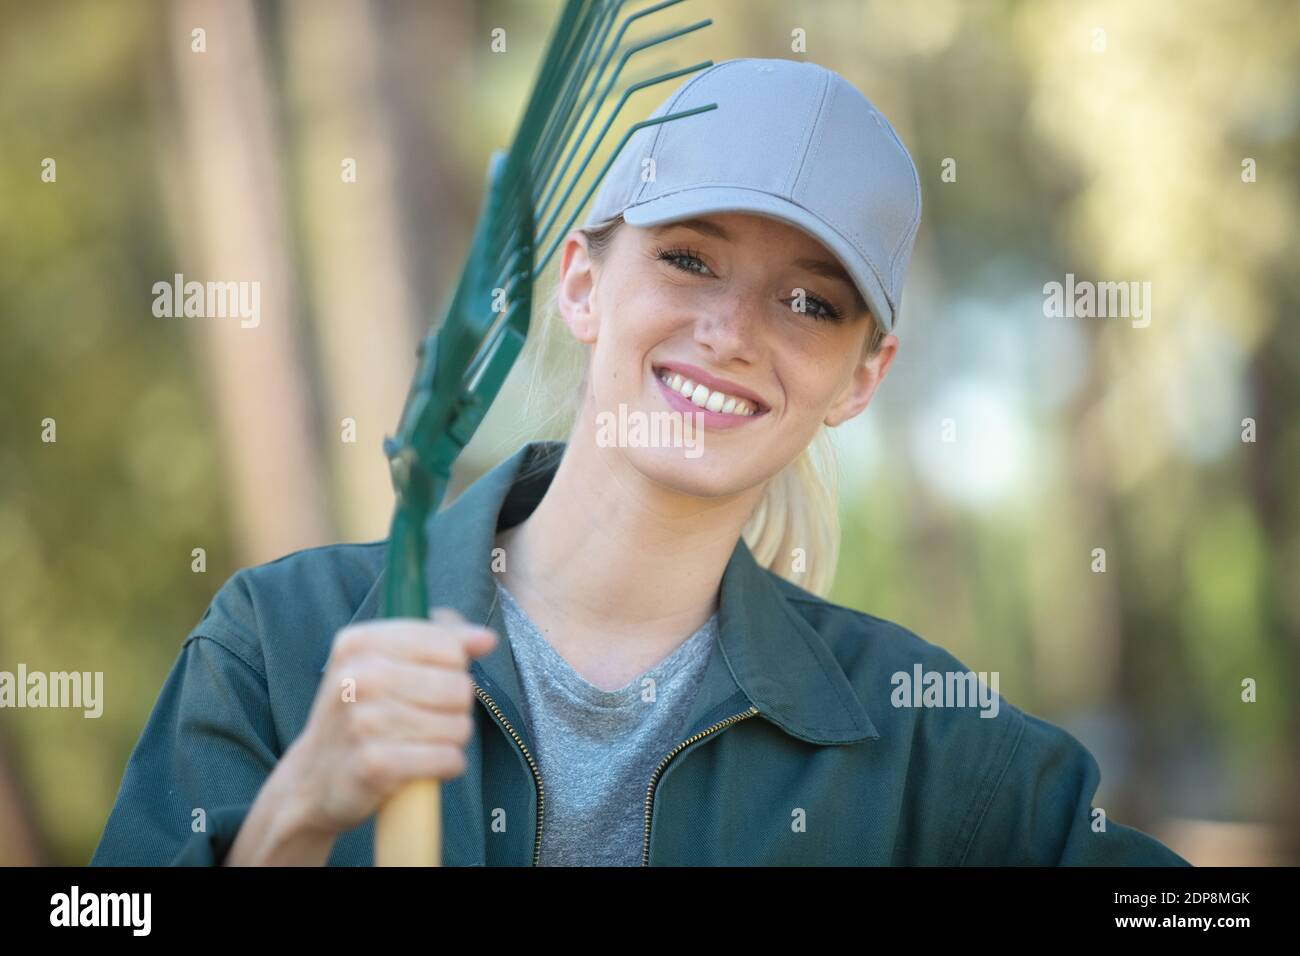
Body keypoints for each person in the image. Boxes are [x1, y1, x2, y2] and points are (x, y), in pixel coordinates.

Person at [91, 58, 1189, 866]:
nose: (733, 330)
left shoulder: (925, 747)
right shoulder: (281, 641)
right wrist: (295, 816)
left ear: (862, 377)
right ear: (580, 282)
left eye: (809, 300)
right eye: (688, 257)